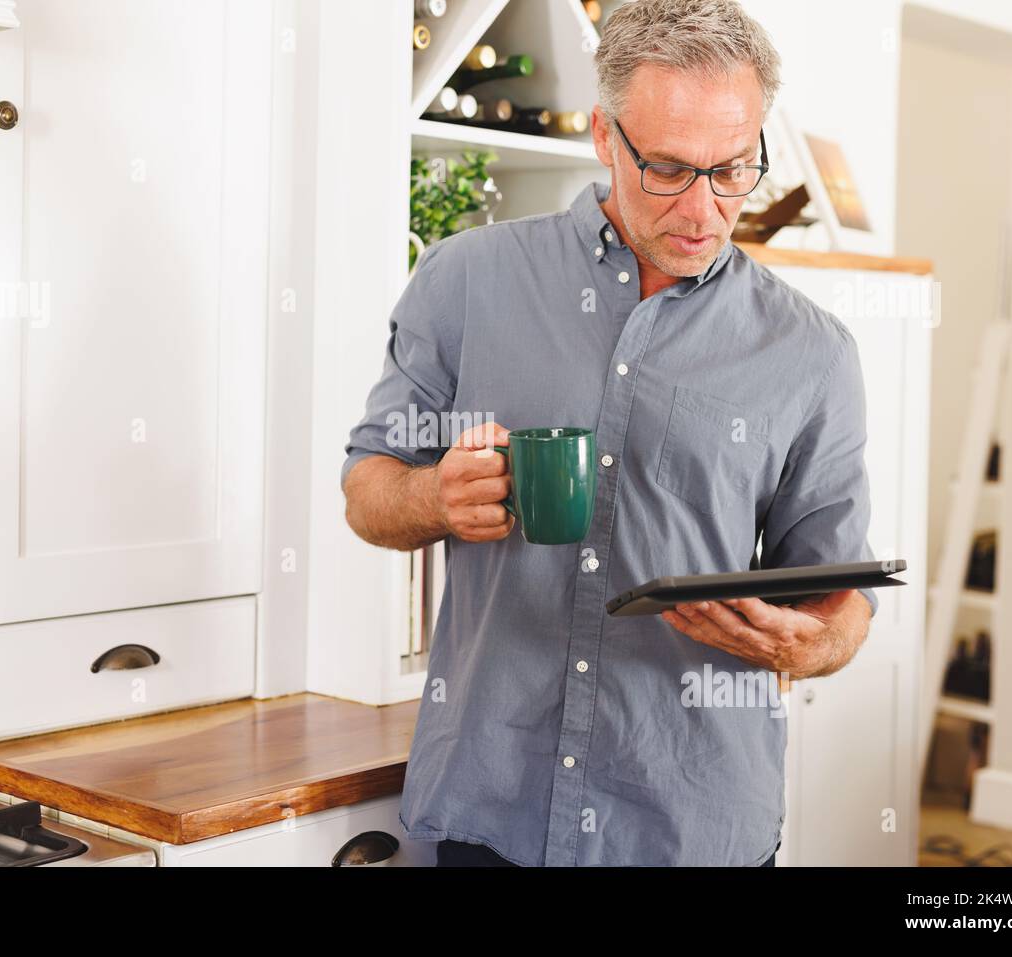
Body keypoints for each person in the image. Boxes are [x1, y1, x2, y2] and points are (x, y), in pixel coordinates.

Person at [340, 0, 878, 867]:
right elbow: (368, 491)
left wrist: (814, 644)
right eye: (667, 167)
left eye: (734, 169)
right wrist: (433, 493)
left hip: (691, 827)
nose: (705, 207)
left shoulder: (812, 354)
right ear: (603, 133)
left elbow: (841, 594)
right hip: (492, 809)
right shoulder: (466, 280)